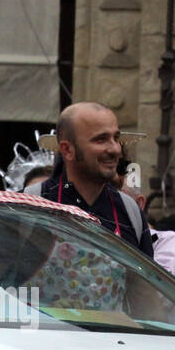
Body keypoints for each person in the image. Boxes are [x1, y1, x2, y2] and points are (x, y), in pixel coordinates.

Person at [39, 102, 152, 256]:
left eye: (116, 138)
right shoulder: (31, 204)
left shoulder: (130, 212)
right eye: (101, 139)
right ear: (68, 150)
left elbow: (143, 279)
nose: (115, 149)